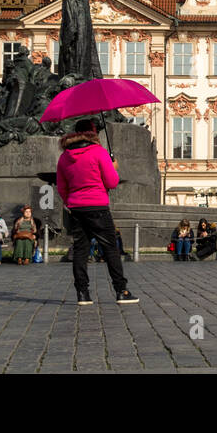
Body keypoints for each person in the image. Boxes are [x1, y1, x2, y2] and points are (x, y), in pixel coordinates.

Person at [56, 118, 137, 304]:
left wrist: (71, 202)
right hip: (98, 206)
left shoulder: (65, 157)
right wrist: (114, 167)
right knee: (110, 249)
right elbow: (111, 182)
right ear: (93, 133)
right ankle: (121, 290)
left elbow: (62, 187)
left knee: (80, 250)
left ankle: (82, 294)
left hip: (77, 208)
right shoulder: (98, 152)